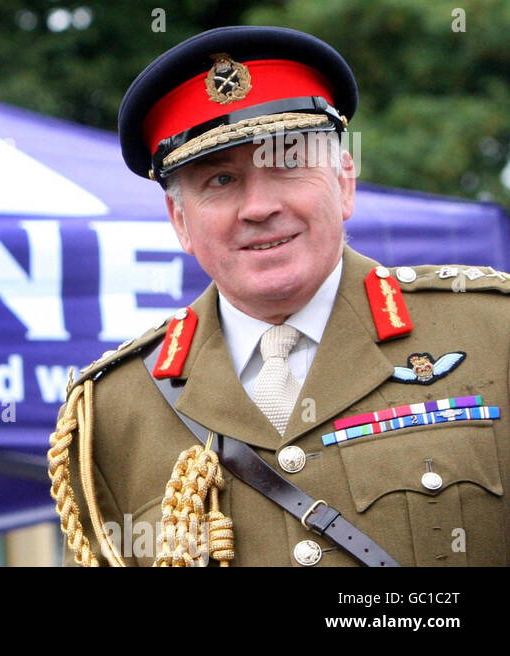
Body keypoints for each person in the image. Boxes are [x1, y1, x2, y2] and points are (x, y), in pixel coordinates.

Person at [49, 26, 510, 566]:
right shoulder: (114, 411)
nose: (258, 207)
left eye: (287, 165)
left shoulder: (493, 335)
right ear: (180, 221)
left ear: (344, 182)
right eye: (220, 181)